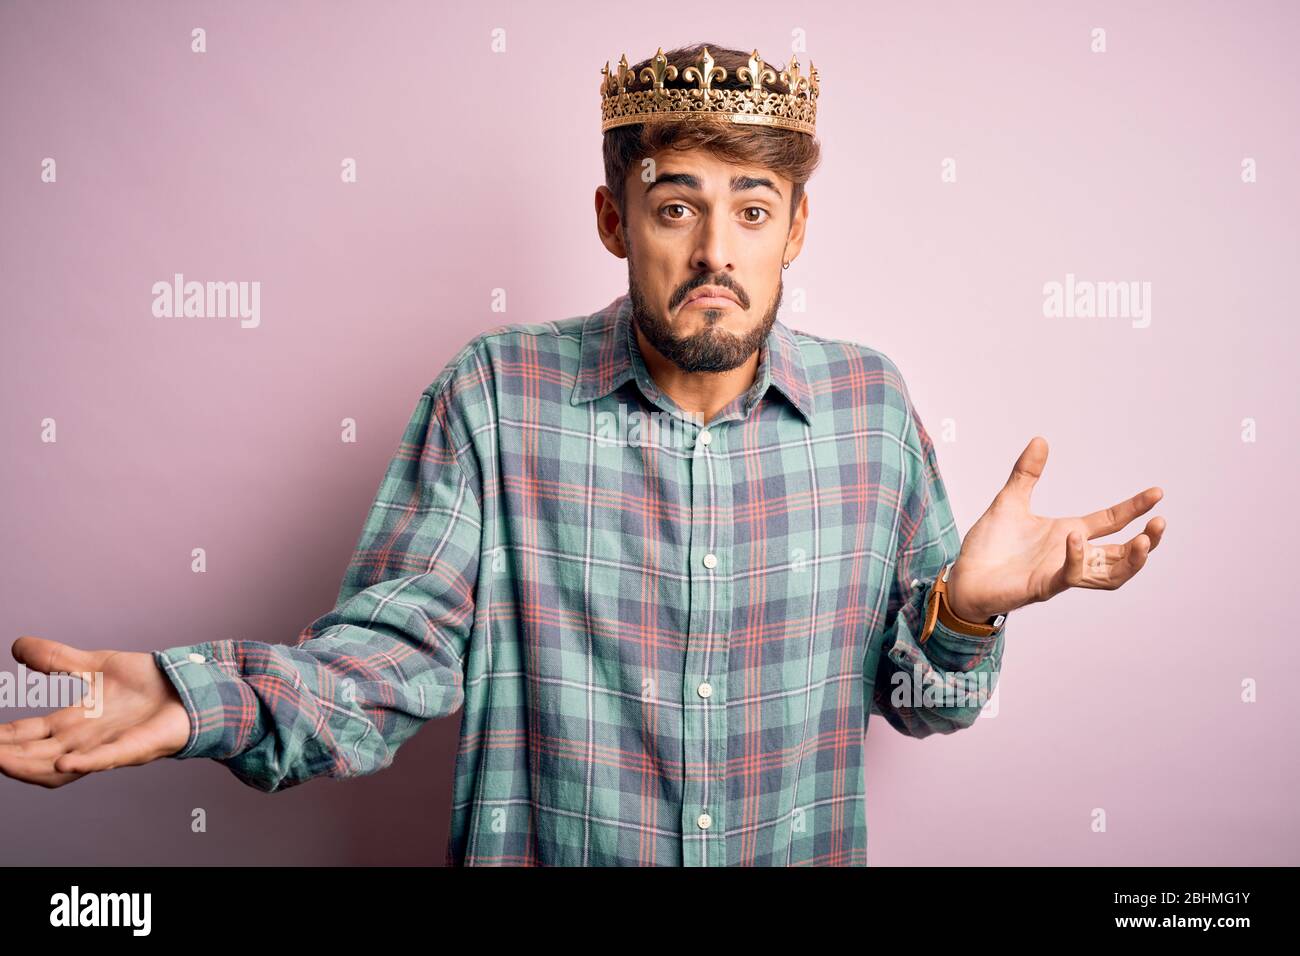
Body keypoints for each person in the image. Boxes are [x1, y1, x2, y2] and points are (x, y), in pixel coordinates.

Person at [1, 42, 1165, 866]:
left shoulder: (870, 406)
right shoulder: (494, 395)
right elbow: (385, 665)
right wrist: (194, 695)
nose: (716, 248)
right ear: (613, 219)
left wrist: (962, 608)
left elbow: (925, 709)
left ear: (796, 228)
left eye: (753, 209)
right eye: (675, 207)